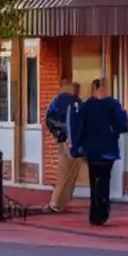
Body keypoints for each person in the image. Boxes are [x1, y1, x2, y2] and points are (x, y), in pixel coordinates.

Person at [69, 78, 128, 226]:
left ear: (94, 88)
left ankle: (95, 213)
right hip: (107, 149)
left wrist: (77, 147)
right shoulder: (113, 105)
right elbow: (123, 125)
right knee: (104, 181)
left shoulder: (87, 106)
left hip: (92, 150)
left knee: (94, 180)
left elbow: (79, 128)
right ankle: (101, 213)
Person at [45, 79, 82, 212]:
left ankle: (61, 203)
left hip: (70, 141)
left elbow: (49, 118)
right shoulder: (68, 102)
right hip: (70, 141)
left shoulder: (73, 102)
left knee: (68, 172)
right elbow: (53, 119)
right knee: (66, 171)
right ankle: (56, 203)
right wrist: (64, 137)